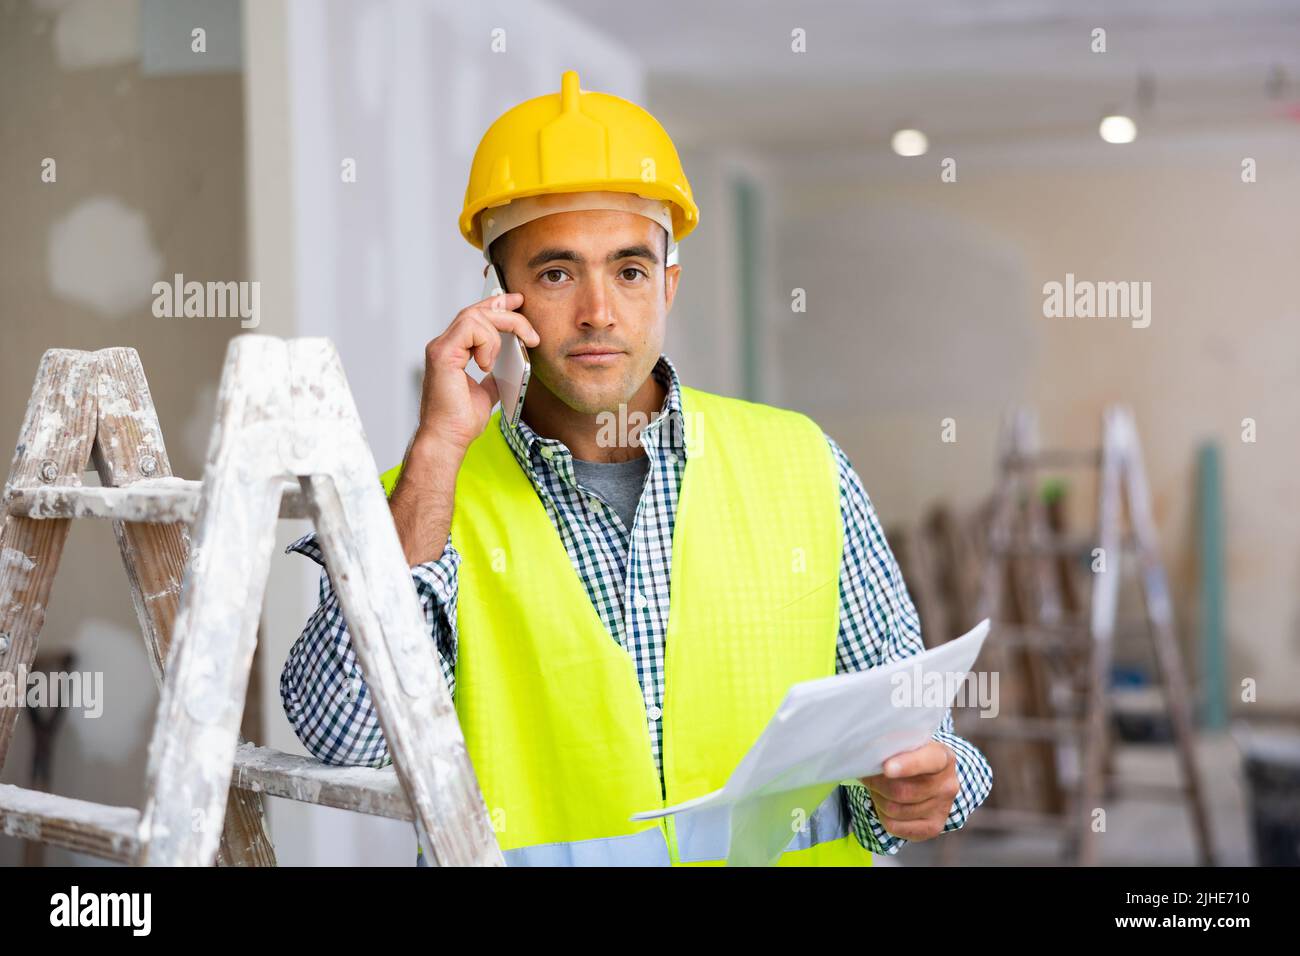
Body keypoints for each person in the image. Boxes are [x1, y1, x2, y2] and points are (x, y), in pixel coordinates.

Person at [281, 69, 992, 866]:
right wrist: (440, 450)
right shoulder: (424, 500)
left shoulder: (804, 463)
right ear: (500, 299)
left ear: (667, 286)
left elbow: (923, 739)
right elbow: (345, 735)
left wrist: (930, 784)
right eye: (555, 273)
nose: (597, 311)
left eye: (628, 269)